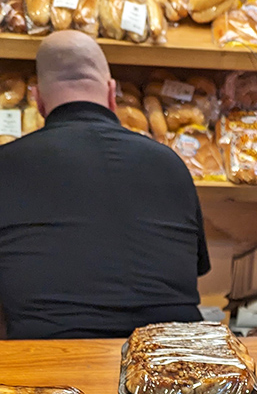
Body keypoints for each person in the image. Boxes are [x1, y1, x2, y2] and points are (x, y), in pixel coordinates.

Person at [0, 30, 210, 339]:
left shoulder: (6, 164)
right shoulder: (170, 163)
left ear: (37, 99)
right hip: (174, 356)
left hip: (47, 359)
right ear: (112, 93)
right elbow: (190, 273)